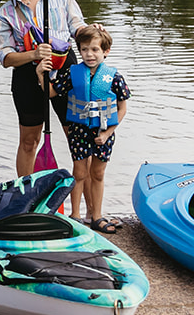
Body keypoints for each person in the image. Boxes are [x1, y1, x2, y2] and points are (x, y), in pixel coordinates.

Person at [0, 0, 86, 185]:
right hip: (27, 76)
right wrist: (33, 54)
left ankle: (81, 209)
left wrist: (93, 32)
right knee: (29, 141)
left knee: (74, 135)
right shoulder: (5, 14)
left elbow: (78, 28)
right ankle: (26, 196)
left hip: (65, 70)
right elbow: (5, 57)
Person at [43, 23, 130, 234]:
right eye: (84, 50)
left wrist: (107, 133)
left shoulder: (114, 78)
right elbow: (51, 93)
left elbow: (122, 109)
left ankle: (97, 217)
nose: (89, 54)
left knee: (98, 174)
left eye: (94, 49)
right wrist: (40, 72)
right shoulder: (73, 74)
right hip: (79, 132)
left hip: (103, 133)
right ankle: (75, 216)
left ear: (105, 51)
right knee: (79, 173)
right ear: (79, 50)